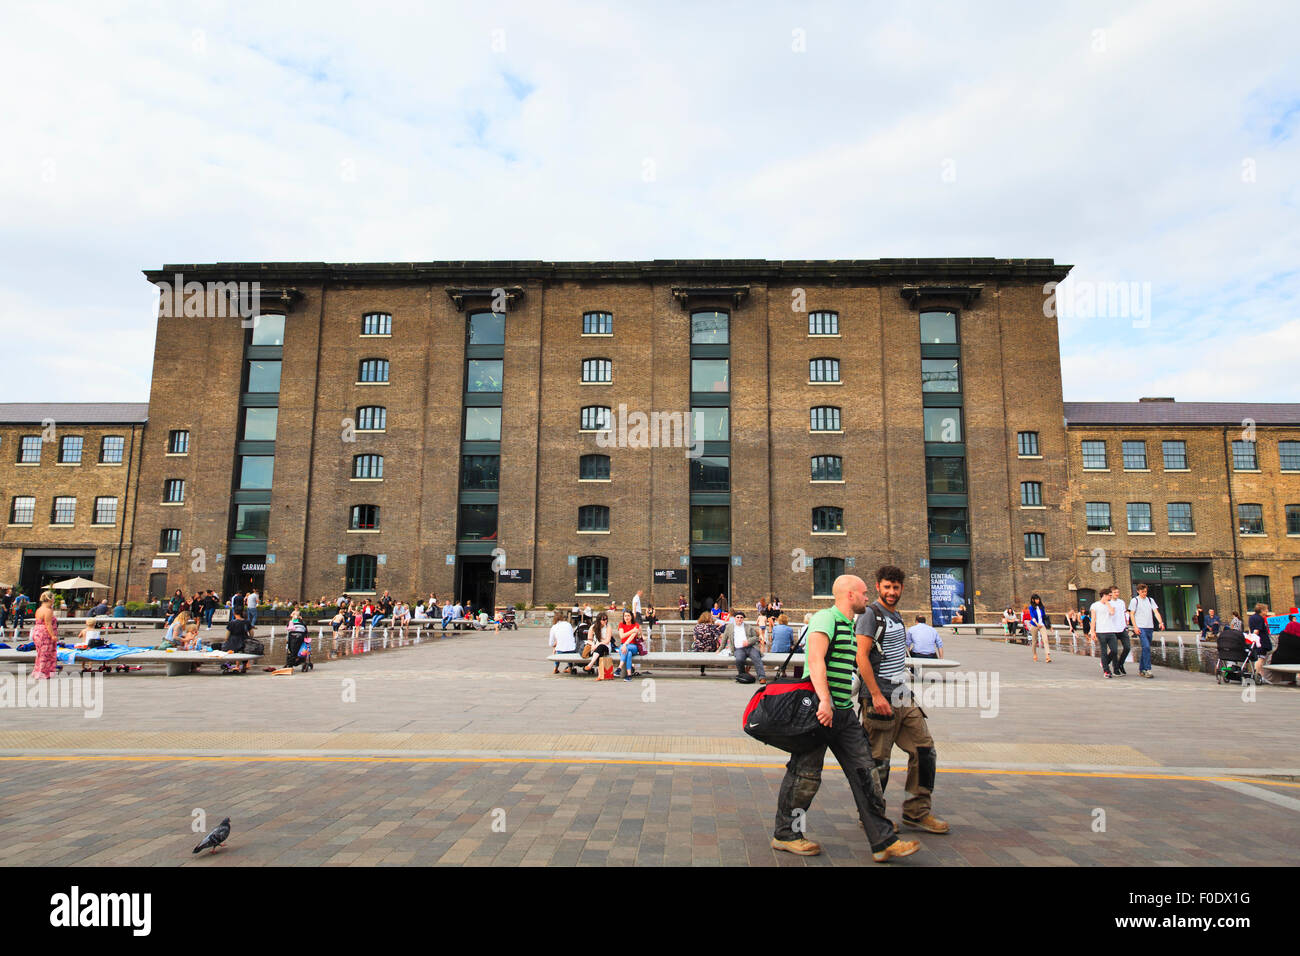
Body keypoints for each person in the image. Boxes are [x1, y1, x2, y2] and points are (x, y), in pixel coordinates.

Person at [771, 573, 919, 861]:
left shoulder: (851, 625)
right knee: (805, 775)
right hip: (818, 711)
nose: (868, 597)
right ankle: (786, 834)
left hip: (843, 714)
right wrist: (824, 700)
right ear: (850, 594)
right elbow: (815, 658)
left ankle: (883, 840)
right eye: (864, 593)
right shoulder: (826, 618)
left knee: (866, 773)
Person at [858, 566, 950, 836]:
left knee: (924, 749)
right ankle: (872, 816)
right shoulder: (869, 615)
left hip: (903, 695)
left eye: (896, 587)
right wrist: (875, 695)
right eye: (887, 587)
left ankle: (917, 812)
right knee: (879, 761)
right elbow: (861, 656)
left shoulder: (896, 616)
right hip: (880, 698)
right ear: (878, 587)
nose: (891, 592)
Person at [1127, 583, 1165, 678]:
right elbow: (1132, 614)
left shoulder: (1150, 600)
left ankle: (1141, 669)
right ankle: (1148, 669)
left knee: (1146, 648)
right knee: (1146, 647)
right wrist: (1135, 627)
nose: (1144, 593)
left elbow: (1156, 612)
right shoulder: (1135, 601)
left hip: (1149, 627)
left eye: (1146, 591)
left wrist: (1161, 622)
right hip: (1140, 627)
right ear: (1138, 591)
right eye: (1143, 592)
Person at [1091, 586, 1125, 678]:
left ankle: (1104, 662)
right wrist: (1092, 631)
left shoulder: (1111, 604)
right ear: (1104, 595)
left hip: (1111, 630)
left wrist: (1107, 603)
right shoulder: (1095, 605)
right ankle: (1107, 671)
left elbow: (1112, 613)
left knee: (1114, 650)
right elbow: (1093, 619)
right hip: (1101, 631)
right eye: (1109, 595)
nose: (1111, 597)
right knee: (1104, 651)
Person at [724, 611, 765, 684]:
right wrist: (720, 649)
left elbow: (756, 637)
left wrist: (748, 642)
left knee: (756, 658)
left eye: (741, 618)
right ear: (734, 618)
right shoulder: (729, 627)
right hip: (739, 649)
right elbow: (724, 638)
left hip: (750, 647)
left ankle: (761, 677)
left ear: (743, 619)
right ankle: (742, 676)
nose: (739, 619)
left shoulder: (748, 627)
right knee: (739, 660)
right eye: (738, 617)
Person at [29, 591, 59, 679]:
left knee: (40, 653)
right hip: (45, 634)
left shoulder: (39, 609)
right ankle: (44, 672)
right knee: (46, 654)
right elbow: (48, 624)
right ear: (50, 599)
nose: (54, 601)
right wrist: (53, 635)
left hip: (37, 631)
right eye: (53, 599)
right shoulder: (48, 611)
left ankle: (37, 671)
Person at [615, 610, 643, 682]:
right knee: (628, 653)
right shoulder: (621, 624)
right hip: (624, 647)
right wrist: (632, 631)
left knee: (626, 649)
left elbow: (632, 637)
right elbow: (622, 636)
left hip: (633, 646)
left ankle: (619, 668)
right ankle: (629, 675)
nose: (626, 617)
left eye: (628, 616)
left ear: (631, 617)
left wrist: (625, 644)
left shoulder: (636, 625)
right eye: (625, 616)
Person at [221, 609, 253, 673]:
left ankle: (228, 664)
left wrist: (226, 640)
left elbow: (227, 635)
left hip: (233, 641)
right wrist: (250, 638)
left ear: (234, 613)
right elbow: (251, 633)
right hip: (244, 640)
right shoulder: (247, 622)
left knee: (228, 650)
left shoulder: (232, 622)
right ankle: (244, 666)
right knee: (244, 652)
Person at [1247, 603, 1272, 682]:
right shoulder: (1259, 618)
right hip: (1261, 642)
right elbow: (1256, 631)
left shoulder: (1252, 617)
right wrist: (1254, 637)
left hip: (1256, 642)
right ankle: (1256, 676)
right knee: (1260, 659)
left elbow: (1251, 630)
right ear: (1262, 611)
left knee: (1261, 659)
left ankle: (1261, 676)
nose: (1267, 611)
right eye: (1266, 609)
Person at [1026, 593, 1052, 663]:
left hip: (1042, 625)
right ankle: (1034, 654)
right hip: (1034, 625)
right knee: (1034, 641)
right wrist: (1037, 624)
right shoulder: (1031, 607)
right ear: (1033, 600)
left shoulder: (1041, 607)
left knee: (1045, 639)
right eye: (1036, 599)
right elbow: (1032, 617)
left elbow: (1044, 616)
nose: (1038, 600)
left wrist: (1050, 626)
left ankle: (1047, 656)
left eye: (1038, 599)